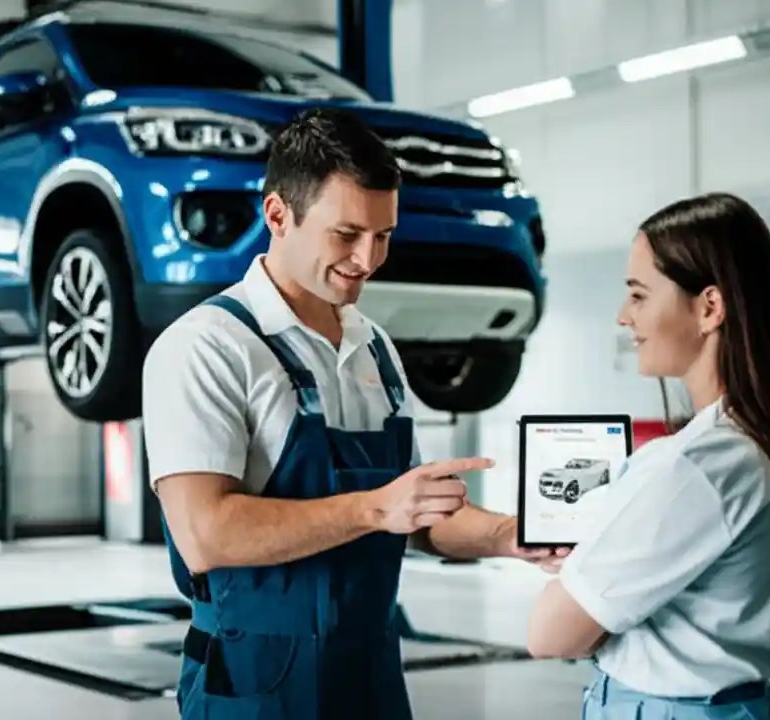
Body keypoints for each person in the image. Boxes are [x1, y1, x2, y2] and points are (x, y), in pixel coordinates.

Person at [142, 107, 563, 719]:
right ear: (278, 215)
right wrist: (375, 507)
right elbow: (206, 535)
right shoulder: (206, 346)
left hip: (370, 677)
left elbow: (416, 518)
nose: (367, 260)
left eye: (383, 235)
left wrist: (509, 535)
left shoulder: (375, 348)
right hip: (255, 687)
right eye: (346, 235)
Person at [524, 193, 770, 720]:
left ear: (710, 307)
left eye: (639, 296)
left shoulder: (694, 465)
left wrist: (586, 577)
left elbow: (550, 634)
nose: (624, 317)